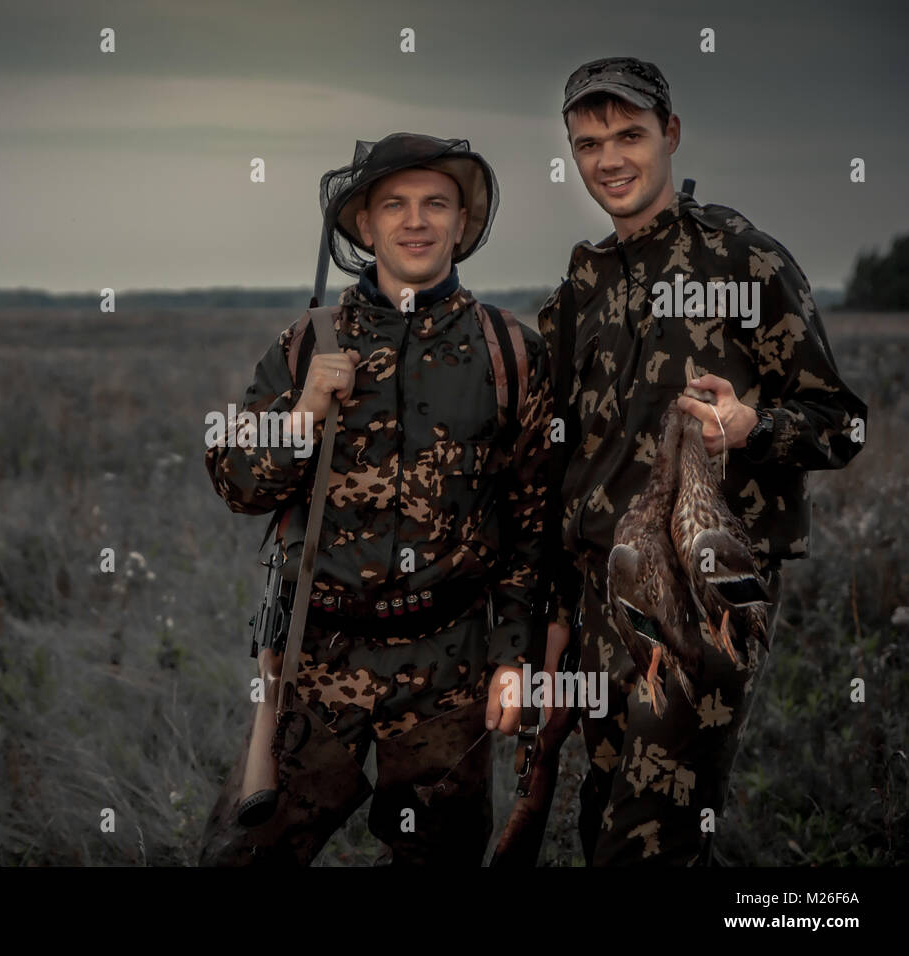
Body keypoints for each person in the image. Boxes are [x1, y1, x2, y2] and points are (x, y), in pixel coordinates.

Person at [538, 57, 868, 865]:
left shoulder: (742, 261)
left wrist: (753, 428)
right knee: (607, 820)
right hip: (602, 604)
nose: (609, 159)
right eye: (588, 144)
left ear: (671, 135)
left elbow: (842, 425)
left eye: (629, 136)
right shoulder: (583, 290)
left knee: (644, 840)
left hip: (708, 601)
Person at [197, 133, 555, 865]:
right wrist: (302, 413)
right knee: (243, 854)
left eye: (435, 204)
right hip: (317, 658)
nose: (415, 221)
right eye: (394, 205)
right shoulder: (305, 344)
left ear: (462, 223)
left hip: (448, 664)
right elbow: (237, 485)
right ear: (365, 226)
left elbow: (531, 517)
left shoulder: (508, 351)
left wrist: (513, 654)